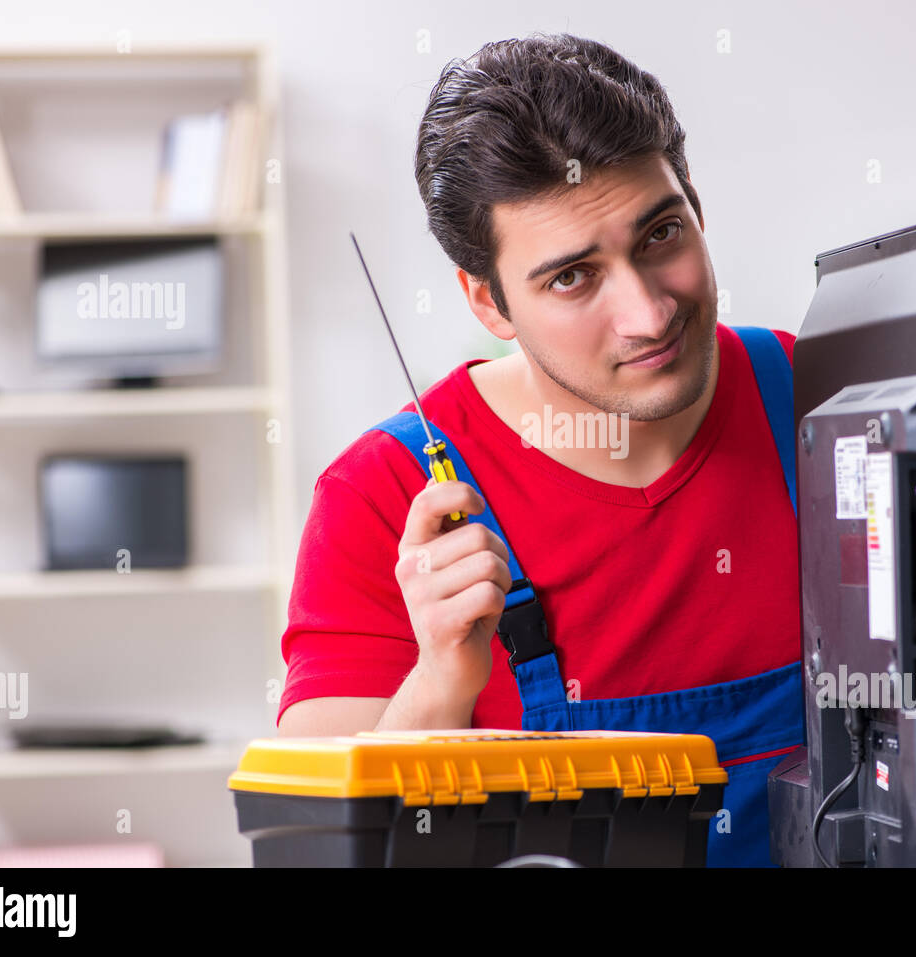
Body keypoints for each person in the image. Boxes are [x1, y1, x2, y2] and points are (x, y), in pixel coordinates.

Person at [276, 32, 803, 867]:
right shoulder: (381, 494)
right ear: (488, 303)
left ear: (696, 208)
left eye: (661, 234)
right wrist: (441, 677)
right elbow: (317, 855)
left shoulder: (818, 397)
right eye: (573, 277)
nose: (648, 313)